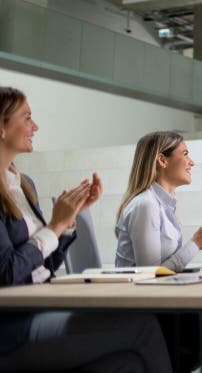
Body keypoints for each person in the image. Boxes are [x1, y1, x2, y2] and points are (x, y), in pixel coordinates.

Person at [0, 87, 172, 372]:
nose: (36, 126)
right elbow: (7, 273)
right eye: (27, 117)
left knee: (129, 365)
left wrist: (68, 222)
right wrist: (54, 226)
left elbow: (43, 265)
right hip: (13, 327)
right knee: (144, 327)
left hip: (42, 307)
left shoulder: (24, 183)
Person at [115, 131, 202, 373]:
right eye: (185, 154)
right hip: (149, 312)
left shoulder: (166, 206)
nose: (192, 162)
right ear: (162, 160)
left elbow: (166, 269)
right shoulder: (146, 205)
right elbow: (150, 274)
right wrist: (196, 243)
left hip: (162, 304)